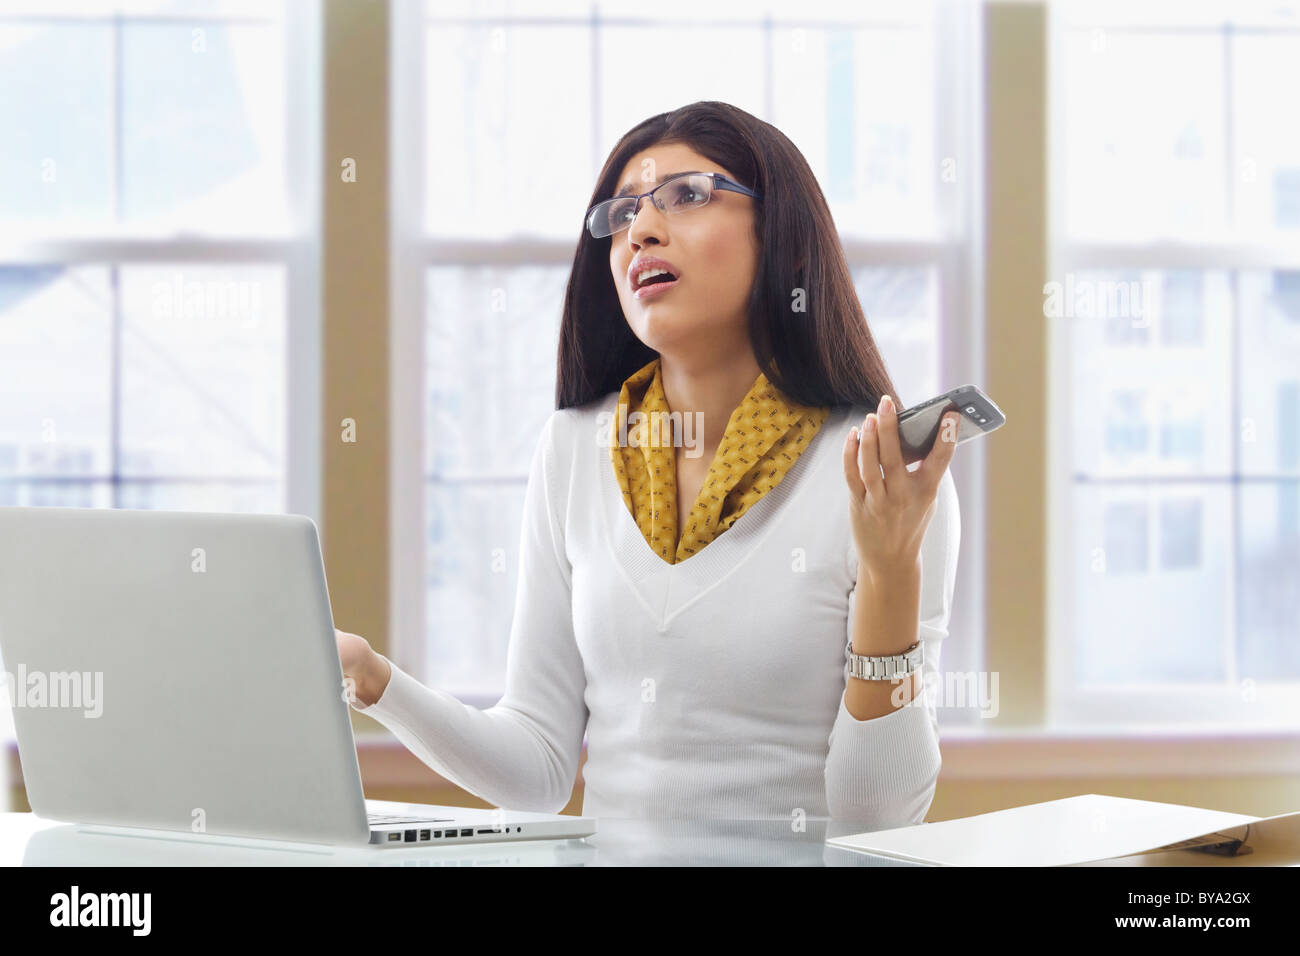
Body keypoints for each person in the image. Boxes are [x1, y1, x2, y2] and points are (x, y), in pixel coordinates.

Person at [337, 100, 961, 826]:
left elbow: (878, 822)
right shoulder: (573, 448)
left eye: (688, 195)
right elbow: (538, 766)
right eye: (624, 211)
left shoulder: (881, 476)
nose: (643, 230)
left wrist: (891, 573)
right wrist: (373, 680)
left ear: (788, 243)